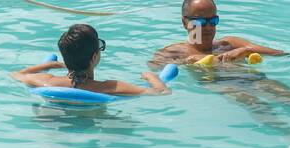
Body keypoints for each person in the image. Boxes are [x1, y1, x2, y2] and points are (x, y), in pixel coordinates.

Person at [11, 24, 171, 98]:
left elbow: (16, 74)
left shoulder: (47, 81)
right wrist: (152, 77)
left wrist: (50, 65)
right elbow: (162, 92)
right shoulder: (108, 87)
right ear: (94, 57)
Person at [152, 0, 290, 66]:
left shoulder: (229, 44)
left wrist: (246, 50)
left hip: (251, 77)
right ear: (185, 22)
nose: (208, 27)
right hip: (220, 83)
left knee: (289, 95)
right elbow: (155, 70)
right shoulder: (173, 52)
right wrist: (186, 62)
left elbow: (281, 53)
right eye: (200, 21)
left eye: (213, 21)